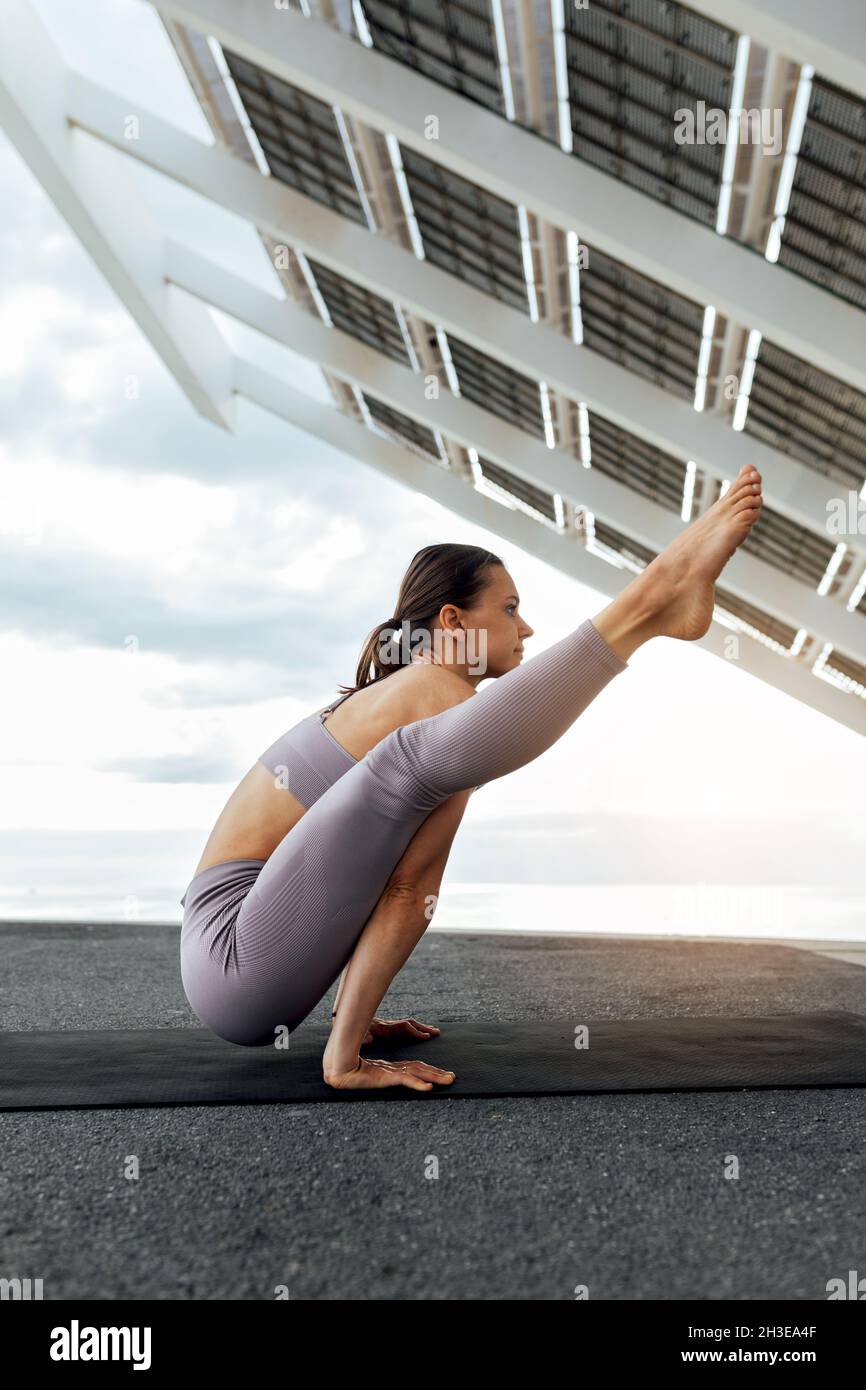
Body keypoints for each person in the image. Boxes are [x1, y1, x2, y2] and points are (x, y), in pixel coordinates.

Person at [180, 465, 764, 1092]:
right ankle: (650, 601)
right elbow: (411, 891)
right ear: (453, 623)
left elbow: (358, 881)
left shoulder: (413, 701)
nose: (528, 628)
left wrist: (356, 1011)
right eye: (510, 609)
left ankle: (652, 604)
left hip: (251, 967)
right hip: (235, 956)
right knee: (408, 761)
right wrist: (345, 1057)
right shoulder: (433, 696)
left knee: (408, 765)